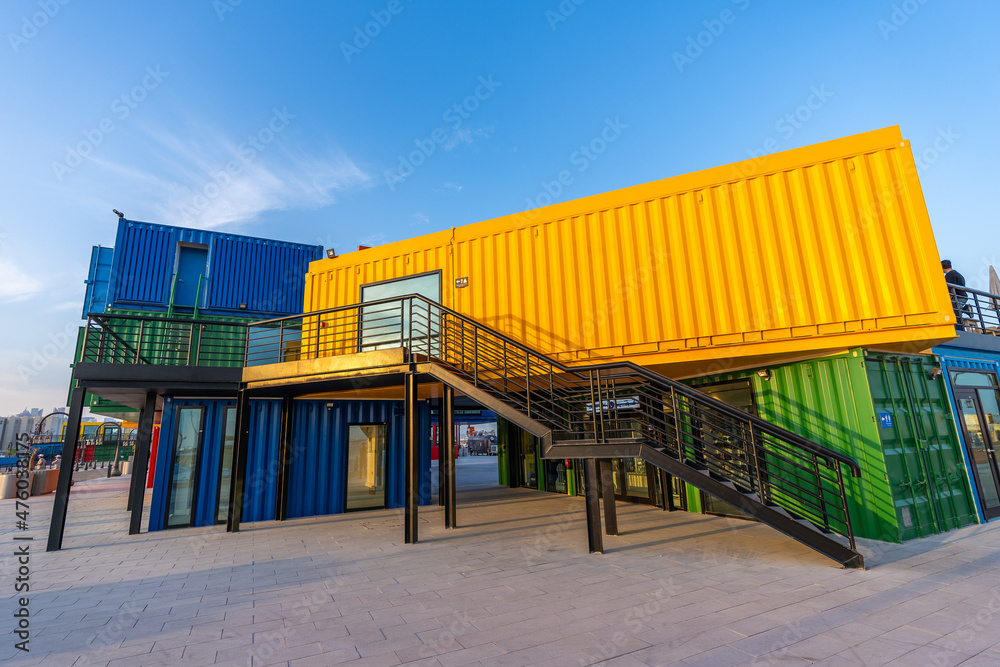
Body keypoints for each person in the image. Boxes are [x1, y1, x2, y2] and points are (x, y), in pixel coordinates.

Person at [942, 260, 967, 331]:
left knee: (955, 313)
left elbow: (950, 290)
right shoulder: (958, 274)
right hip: (962, 296)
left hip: (957, 297)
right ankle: (966, 309)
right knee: (958, 313)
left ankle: (959, 330)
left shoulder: (950, 275)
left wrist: (948, 301)